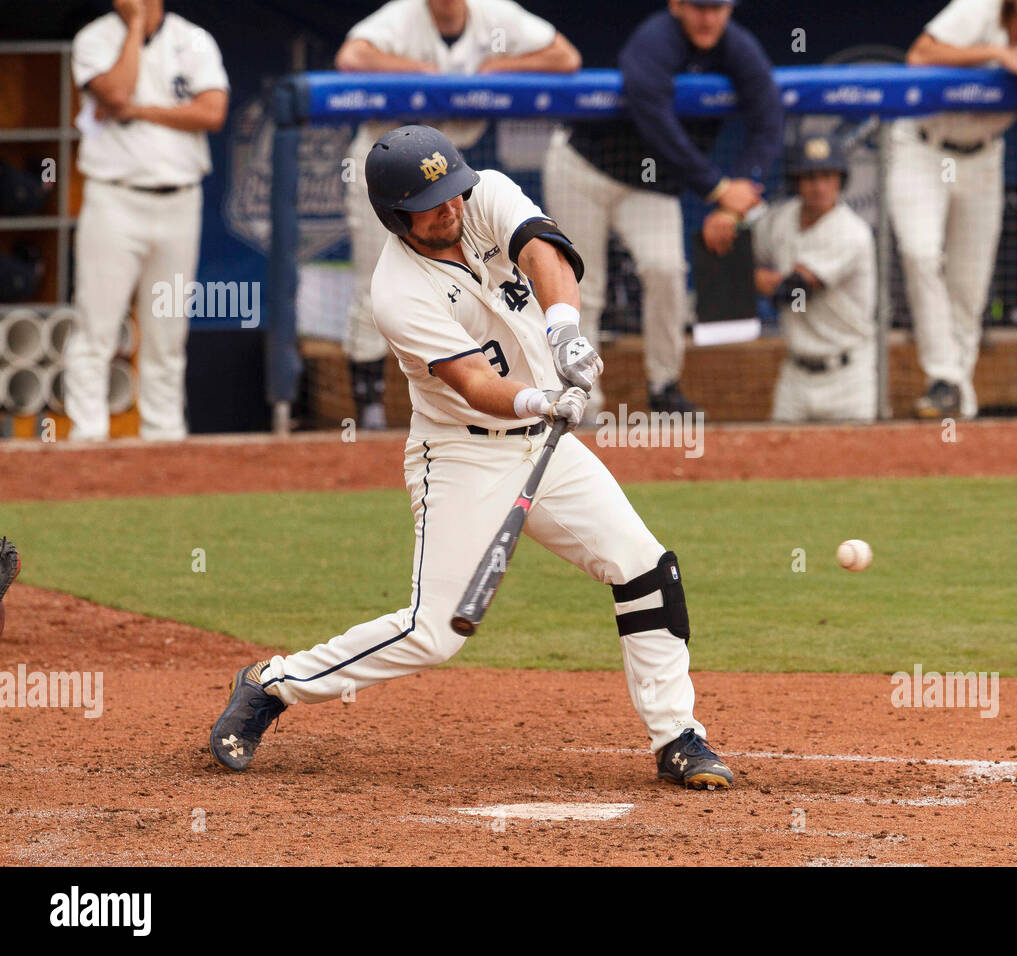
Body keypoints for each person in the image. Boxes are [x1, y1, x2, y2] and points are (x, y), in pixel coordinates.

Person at [209, 126, 733, 791]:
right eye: (431, 203)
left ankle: (677, 737)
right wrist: (542, 400)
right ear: (395, 218)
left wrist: (564, 331)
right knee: (436, 634)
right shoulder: (398, 292)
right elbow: (474, 386)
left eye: (452, 192)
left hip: (546, 444)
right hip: (461, 454)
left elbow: (545, 254)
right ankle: (271, 685)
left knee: (645, 569)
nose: (450, 207)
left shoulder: (480, 194)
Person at [336, 0, 581, 429]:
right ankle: (369, 405)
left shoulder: (496, 13)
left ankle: (519, 389)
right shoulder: (401, 15)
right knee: (372, 288)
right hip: (392, 172)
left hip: (449, 170)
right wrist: (422, 73)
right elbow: (351, 57)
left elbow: (565, 56)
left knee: (494, 282)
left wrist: (496, 68)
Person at [543, 0, 782, 417]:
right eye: (698, 6)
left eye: (718, 7)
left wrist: (741, 187)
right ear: (677, 5)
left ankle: (664, 385)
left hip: (649, 186)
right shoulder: (655, 39)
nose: (708, 17)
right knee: (586, 287)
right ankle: (580, 394)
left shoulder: (738, 47)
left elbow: (769, 116)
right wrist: (716, 187)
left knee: (666, 271)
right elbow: (652, 118)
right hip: (585, 170)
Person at [889, 0, 1017, 420]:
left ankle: (953, 391)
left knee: (971, 283)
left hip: (982, 156)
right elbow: (919, 56)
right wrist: (996, 54)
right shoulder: (976, 10)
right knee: (921, 254)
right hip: (924, 146)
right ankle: (945, 377)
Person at [65, 0, 228, 441]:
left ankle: (164, 436)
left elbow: (212, 112)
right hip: (114, 199)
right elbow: (116, 93)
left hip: (179, 200)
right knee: (96, 327)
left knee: (167, 331)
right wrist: (135, 25)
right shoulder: (94, 37)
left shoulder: (193, 39)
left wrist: (140, 112)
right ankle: (88, 433)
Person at [753, 134, 878, 422]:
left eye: (827, 176)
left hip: (848, 373)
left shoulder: (850, 231)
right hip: (795, 374)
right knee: (780, 461)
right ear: (795, 181)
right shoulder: (781, 219)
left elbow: (793, 292)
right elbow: (740, 251)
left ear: (840, 180)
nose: (819, 187)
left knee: (855, 463)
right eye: (809, 177)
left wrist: (756, 280)